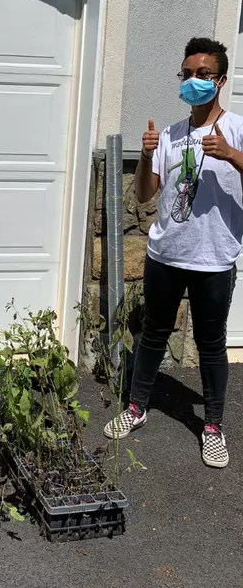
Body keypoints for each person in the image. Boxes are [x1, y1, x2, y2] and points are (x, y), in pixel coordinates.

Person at [104, 37, 243, 468]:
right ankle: (136, 407)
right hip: (165, 253)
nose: (193, 81)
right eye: (187, 74)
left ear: (220, 80)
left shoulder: (237, 128)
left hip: (214, 258)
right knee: (153, 333)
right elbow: (145, 196)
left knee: (212, 342)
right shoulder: (170, 134)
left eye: (203, 75)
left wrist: (232, 155)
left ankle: (214, 426)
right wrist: (146, 158)